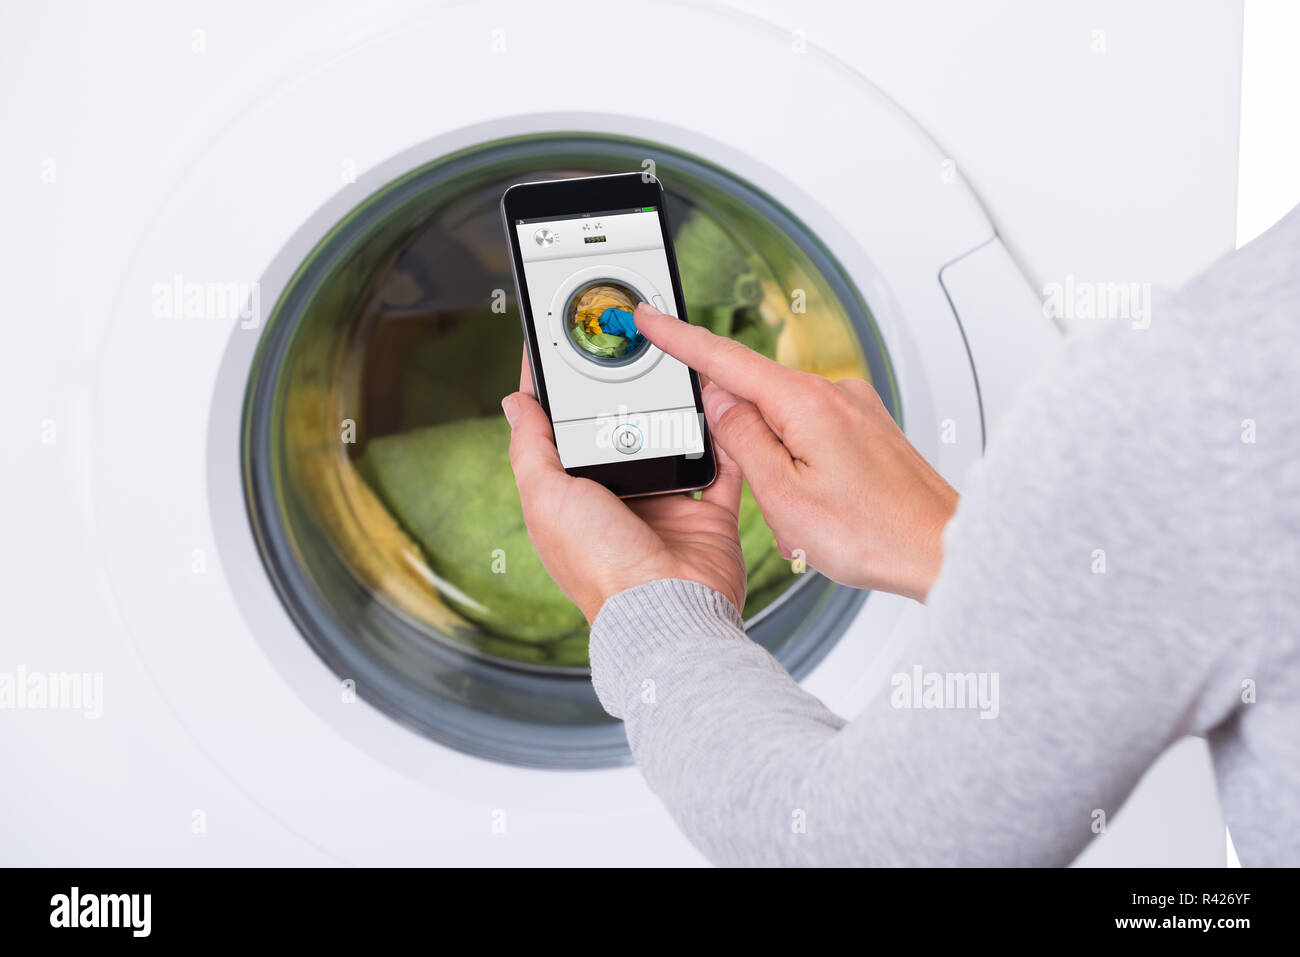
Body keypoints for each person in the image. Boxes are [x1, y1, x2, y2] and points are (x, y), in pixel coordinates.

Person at [500, 207, 1299, 866]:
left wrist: (644, 605)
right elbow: (1208, 572)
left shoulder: (1200, 387)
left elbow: (851, 849)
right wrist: (947, 541)